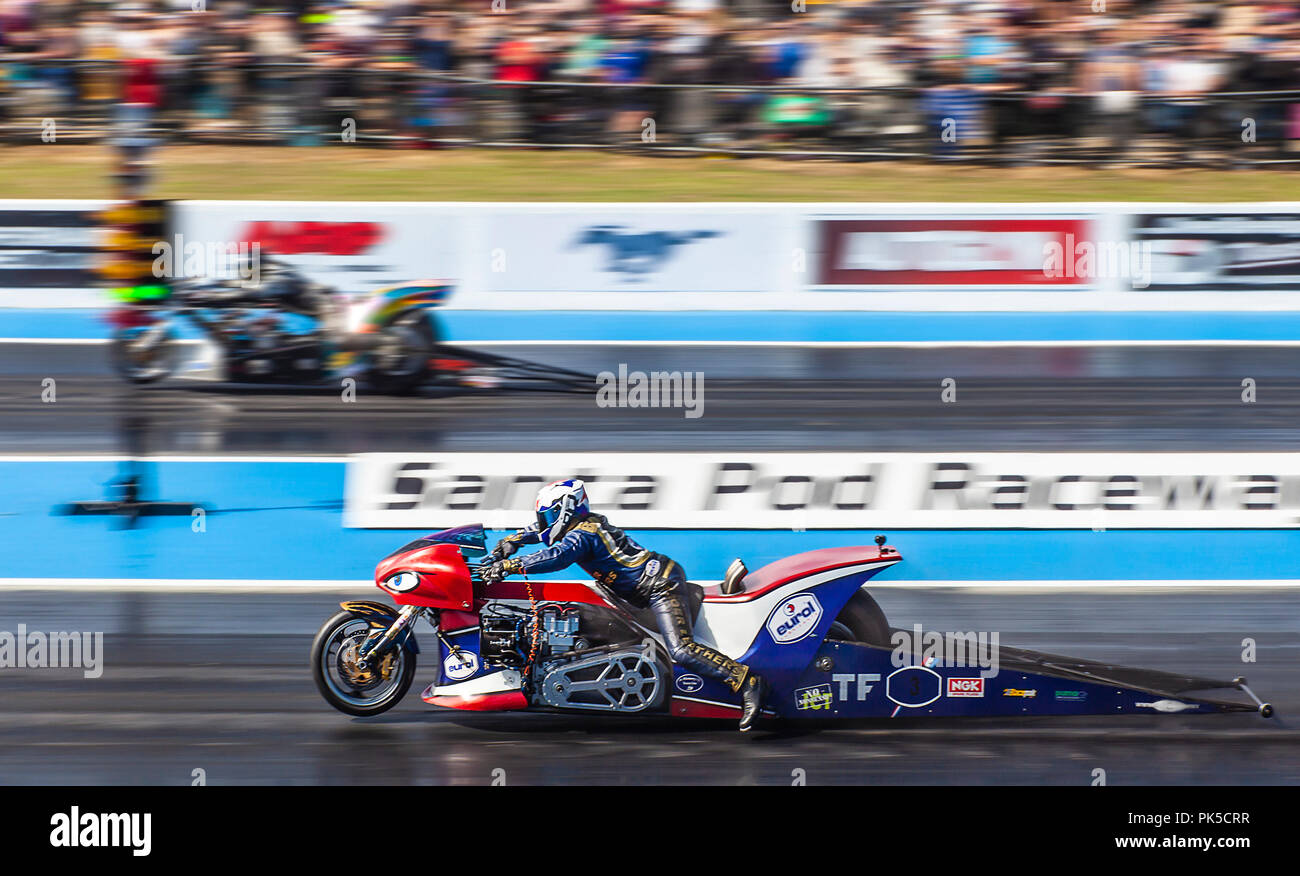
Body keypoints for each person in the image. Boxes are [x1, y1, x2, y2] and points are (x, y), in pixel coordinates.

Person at [484, 479, 768, 731]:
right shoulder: (582, 525)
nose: (545, 522)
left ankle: (745, 681)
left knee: (680, 649)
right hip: (635, 591)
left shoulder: (584, 534)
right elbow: (540, 532)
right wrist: (511, 541)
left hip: (661, 586)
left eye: (549, 515)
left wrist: (511, 564)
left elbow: (558, 555)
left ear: (566, 510)